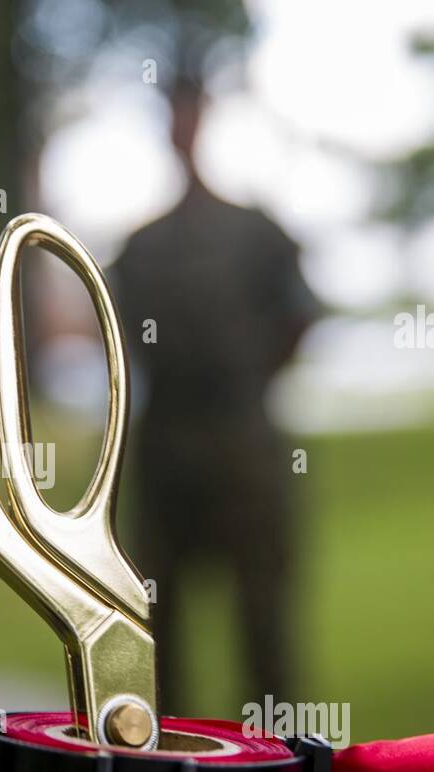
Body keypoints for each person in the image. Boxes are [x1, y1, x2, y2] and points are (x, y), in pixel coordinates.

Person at [113, 78, 319, 714]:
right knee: (156, 619)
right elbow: (120, 343)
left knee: (263, 619)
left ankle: (276, 767)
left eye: (191, 112)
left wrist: (249, 377)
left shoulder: (256, 233)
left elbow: (298, 319)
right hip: (167, 446)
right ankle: (164, 767)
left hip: (242, 438)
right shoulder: (141, 247)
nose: (184, 127)